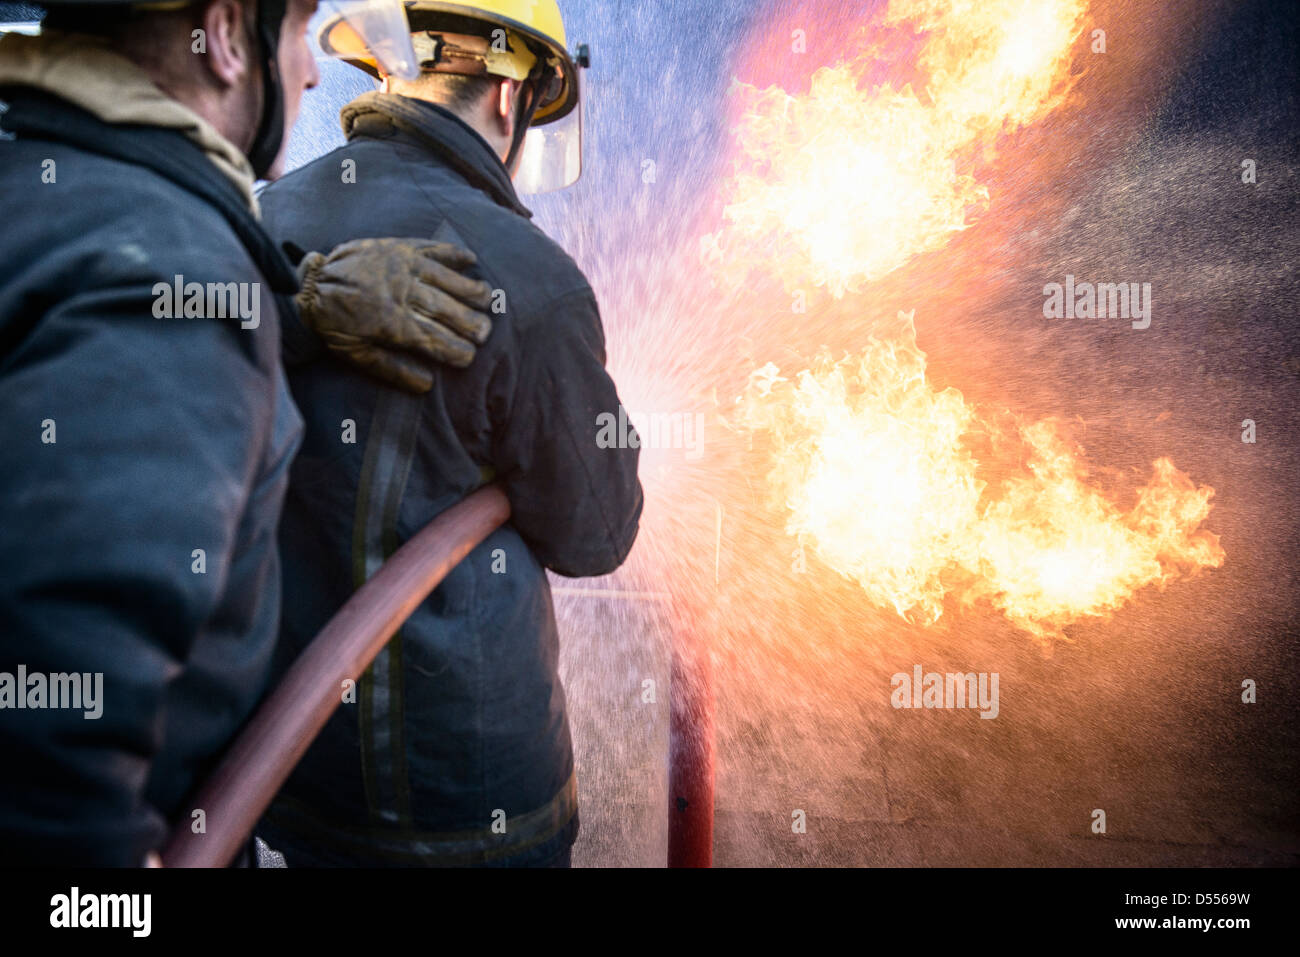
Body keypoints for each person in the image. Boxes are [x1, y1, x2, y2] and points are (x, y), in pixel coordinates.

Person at [0, 0, 493, 866]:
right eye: (298, 29)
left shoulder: (39, 179)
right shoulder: (168, 266)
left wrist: (294, 303)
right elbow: (53, 726)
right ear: (227, 35)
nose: (309, 71)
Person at [255, 0, 643, 867]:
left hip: (294, 771)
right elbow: (598, 533)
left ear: (389, 67)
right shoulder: (529, 277)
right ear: (512, 98)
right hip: (469, 804)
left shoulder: (262, 221)